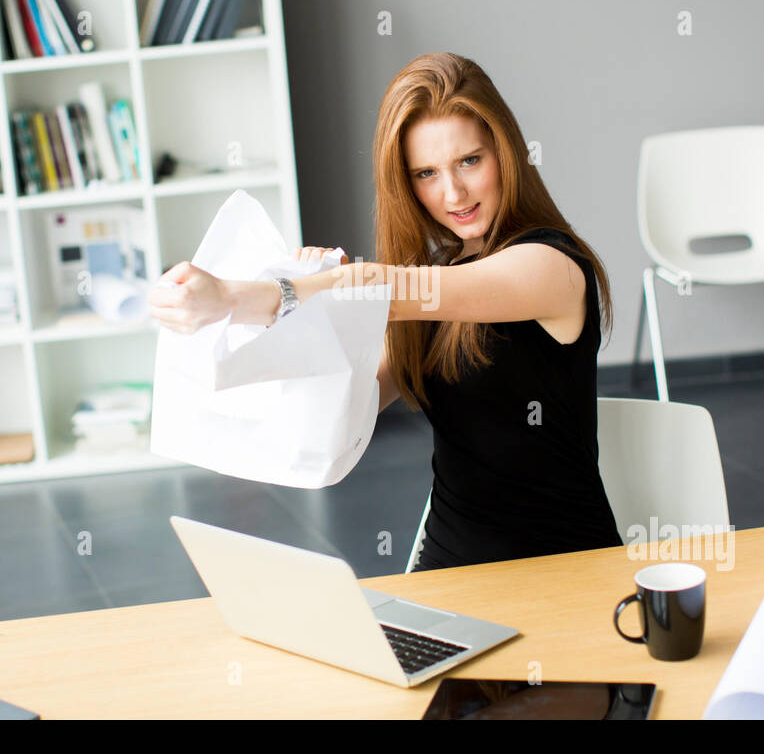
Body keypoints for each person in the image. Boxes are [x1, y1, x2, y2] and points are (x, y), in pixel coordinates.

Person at [149, 52, 623, 569]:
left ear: (505, 153)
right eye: (426, 172)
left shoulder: (549, 265)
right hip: (446, 568)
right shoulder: (439, 269)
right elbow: (351, 400)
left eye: (470, 160)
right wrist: (313, 303)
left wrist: (242, 298)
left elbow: (402, 291)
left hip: (564, 570)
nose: (452, 192)